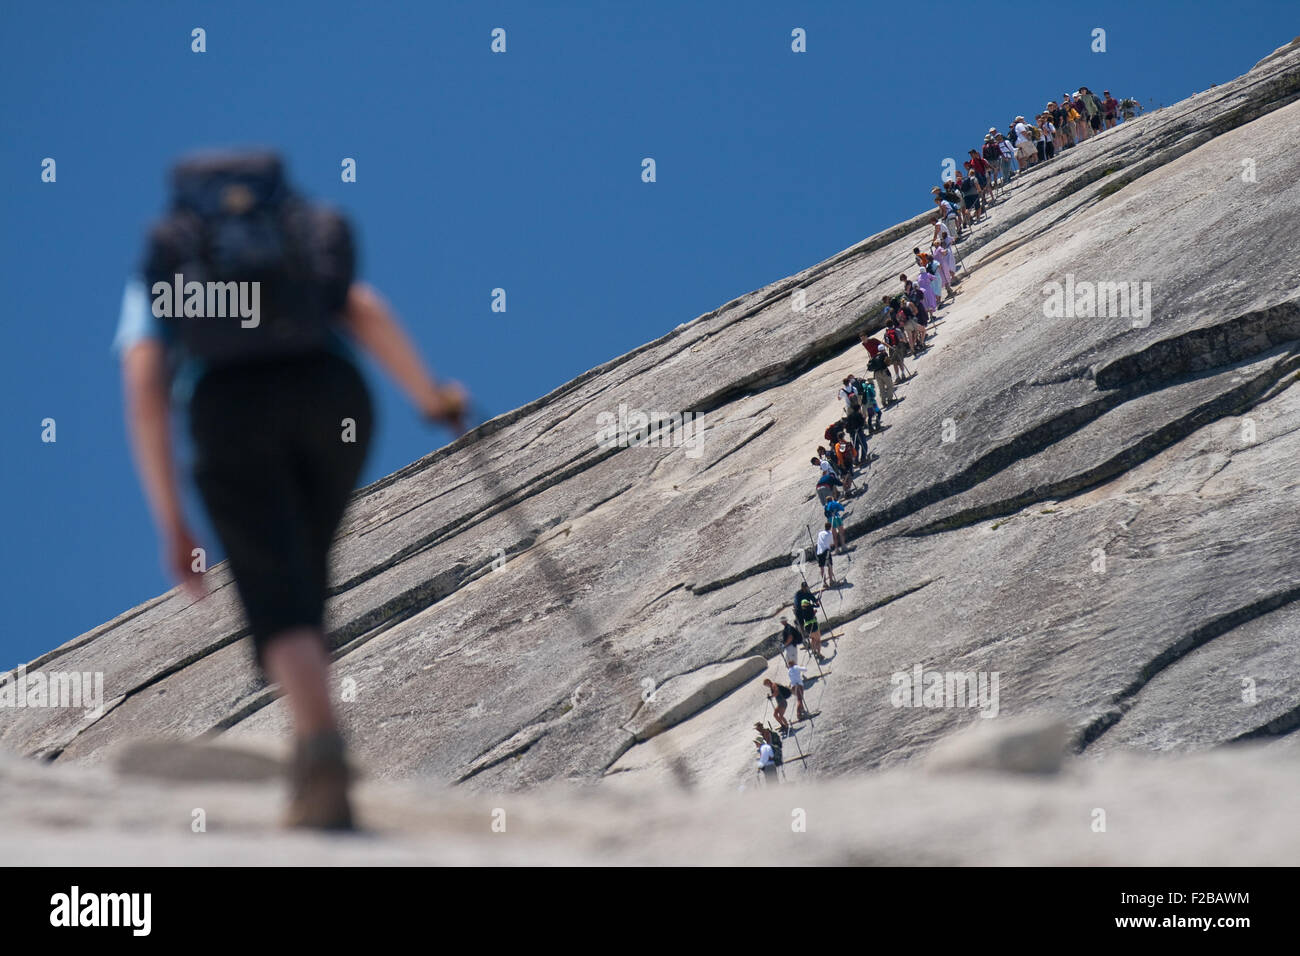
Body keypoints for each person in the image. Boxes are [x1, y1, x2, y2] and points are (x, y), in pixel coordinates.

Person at [117, 151, 466, 830]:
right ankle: (317, 740)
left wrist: (172, 524)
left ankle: (320, 751)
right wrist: (433, 399)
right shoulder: (298, 241)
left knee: (280, 597)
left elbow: (143, 377)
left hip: (230, 408)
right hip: (334, 400)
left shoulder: (170, 261)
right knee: (304, 576)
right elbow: (364, 308)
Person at [815, 521, 836, 587]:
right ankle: (831, 581)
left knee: (822, 568)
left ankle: (824, 583)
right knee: (829, 566)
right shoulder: (830, 533)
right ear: (830, 527)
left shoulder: (820, 533)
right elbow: (832, 543)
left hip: (819, 552)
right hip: (826, 551)